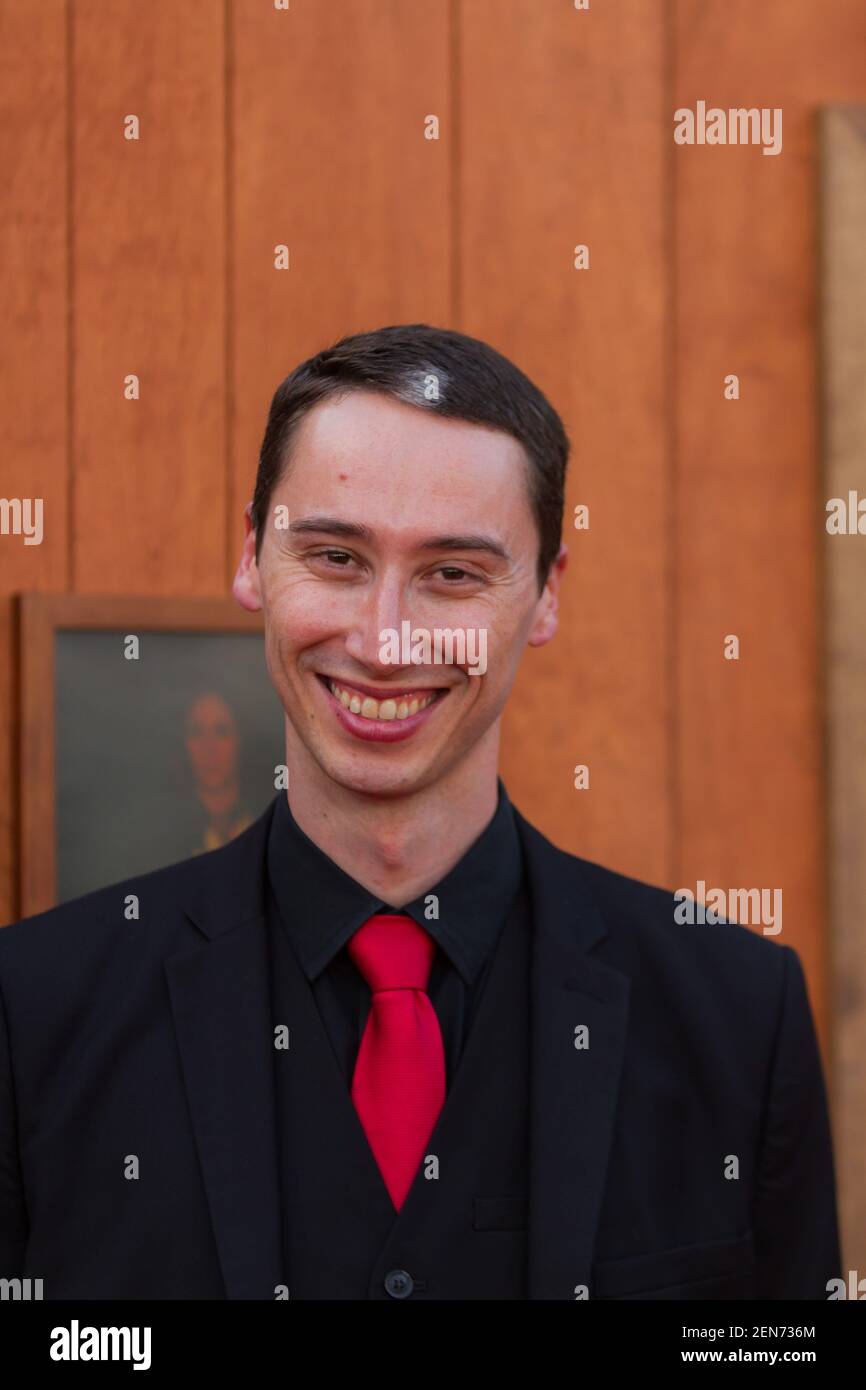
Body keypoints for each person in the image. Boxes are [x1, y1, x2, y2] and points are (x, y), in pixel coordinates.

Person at [0, 325, 841, 1299]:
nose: (384, 640)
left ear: (545, 596)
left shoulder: (737, 1017)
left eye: (451, 573)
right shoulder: (34, 1012)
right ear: (250, 556)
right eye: (334, 556)